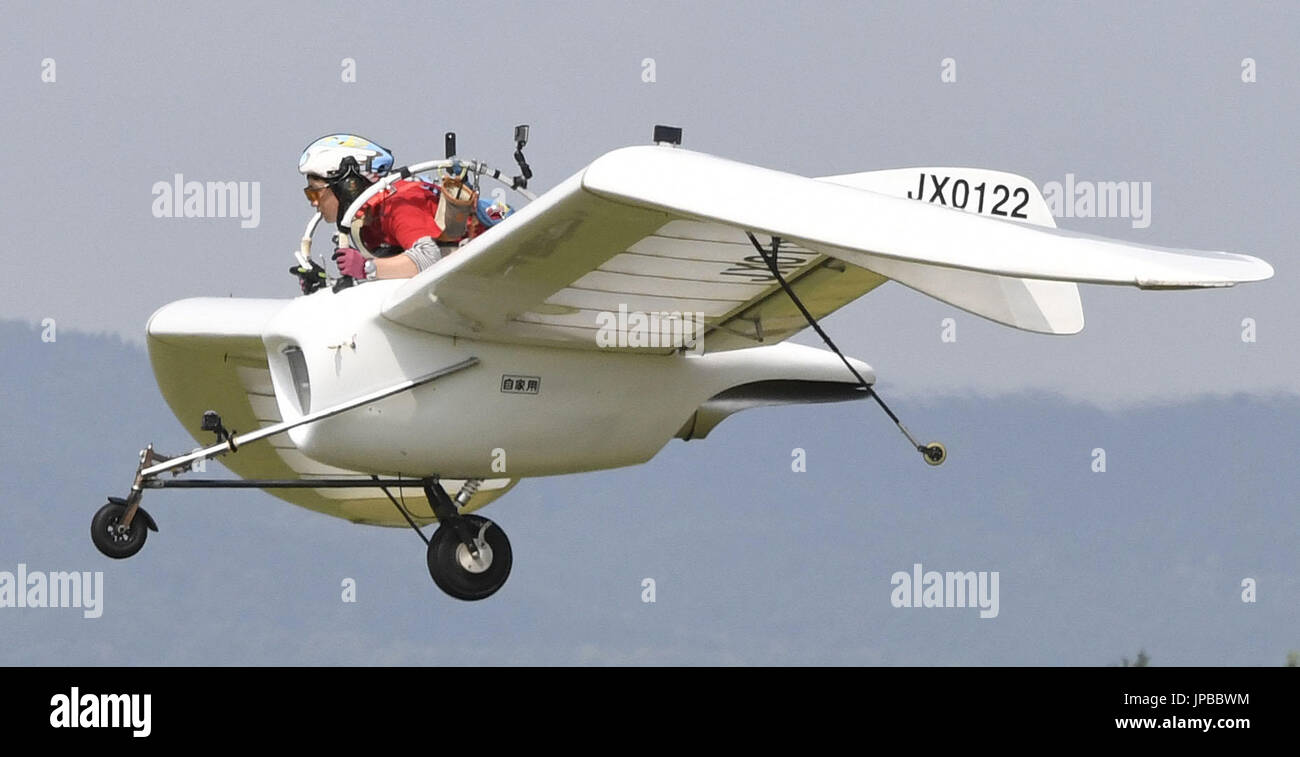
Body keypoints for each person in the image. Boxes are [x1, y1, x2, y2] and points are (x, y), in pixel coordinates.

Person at [291, 134, 494, 293]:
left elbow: (429, 259)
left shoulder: (399, 204)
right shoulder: (367, 224)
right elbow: (393, 279)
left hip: (492, 270)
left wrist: (367, 268)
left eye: (315, 194)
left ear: (347, 186)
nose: (314, 204)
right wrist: (327, 285)